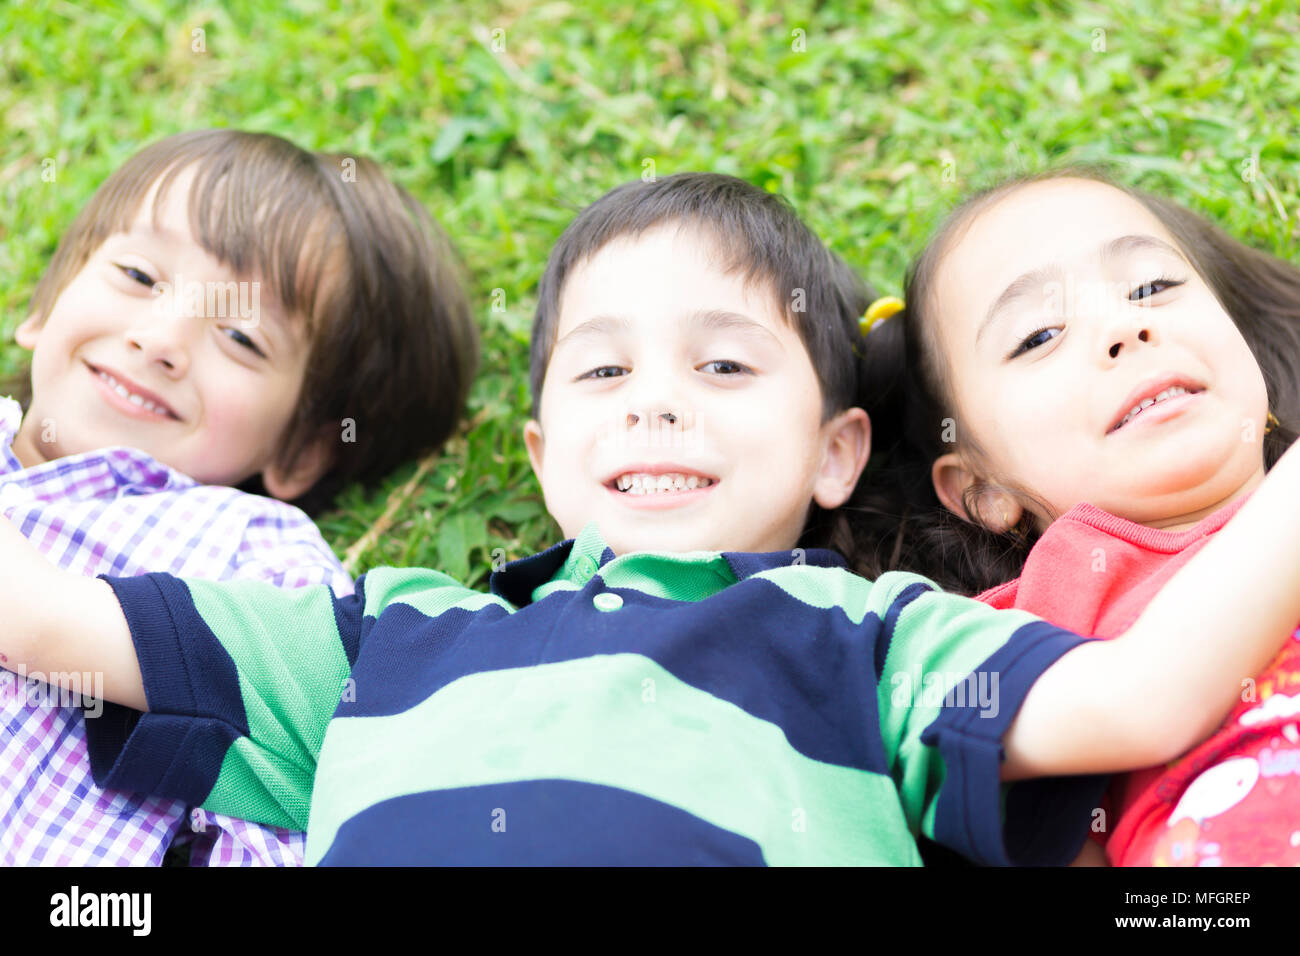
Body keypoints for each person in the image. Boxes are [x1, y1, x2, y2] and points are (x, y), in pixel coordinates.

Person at [5, 171, 1300, 866]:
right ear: (543, 451)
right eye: (605, 373)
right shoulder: (379, 642)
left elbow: (1140, 700)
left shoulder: (870, 642)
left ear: (840, 450)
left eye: (726, 367)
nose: (658, 408)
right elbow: (54, 619)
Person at [0, 128, 478, 865]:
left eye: (242, 337)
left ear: (302, 448)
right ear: (43, 307)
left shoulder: (258, 557)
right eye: (136, 274)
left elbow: (295, 812)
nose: (159, 337)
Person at [857, 167, 1300, 865]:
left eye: (1152, 287)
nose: (1127, 325)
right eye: (1038, 335)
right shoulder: (1006, 636)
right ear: (982, 488)